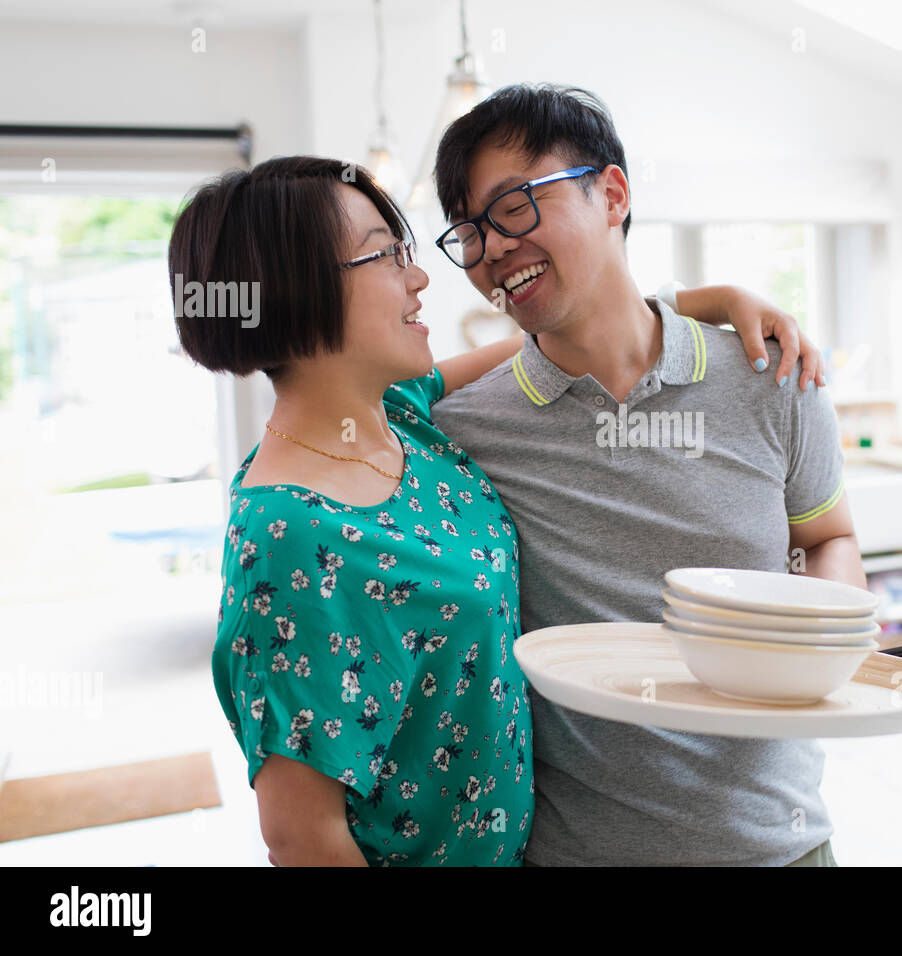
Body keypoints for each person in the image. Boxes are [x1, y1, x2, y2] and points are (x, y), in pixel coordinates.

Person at [170, 155, 823, 866]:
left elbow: (566, 333)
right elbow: (302, 838)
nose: (419, 278)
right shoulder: (288, 534)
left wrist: (707, 300)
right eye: (386, 256)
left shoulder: (400, 415)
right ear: (294, 290)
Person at [428, 84, 867, 866]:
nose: (490, 248)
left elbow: (828, 536)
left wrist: (824, 641)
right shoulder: (468, 429)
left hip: (783, 842)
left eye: (514, 207)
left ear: (613, 194)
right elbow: (355, 400)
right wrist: (693, 297)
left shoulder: (773, 374)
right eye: (468, 231)